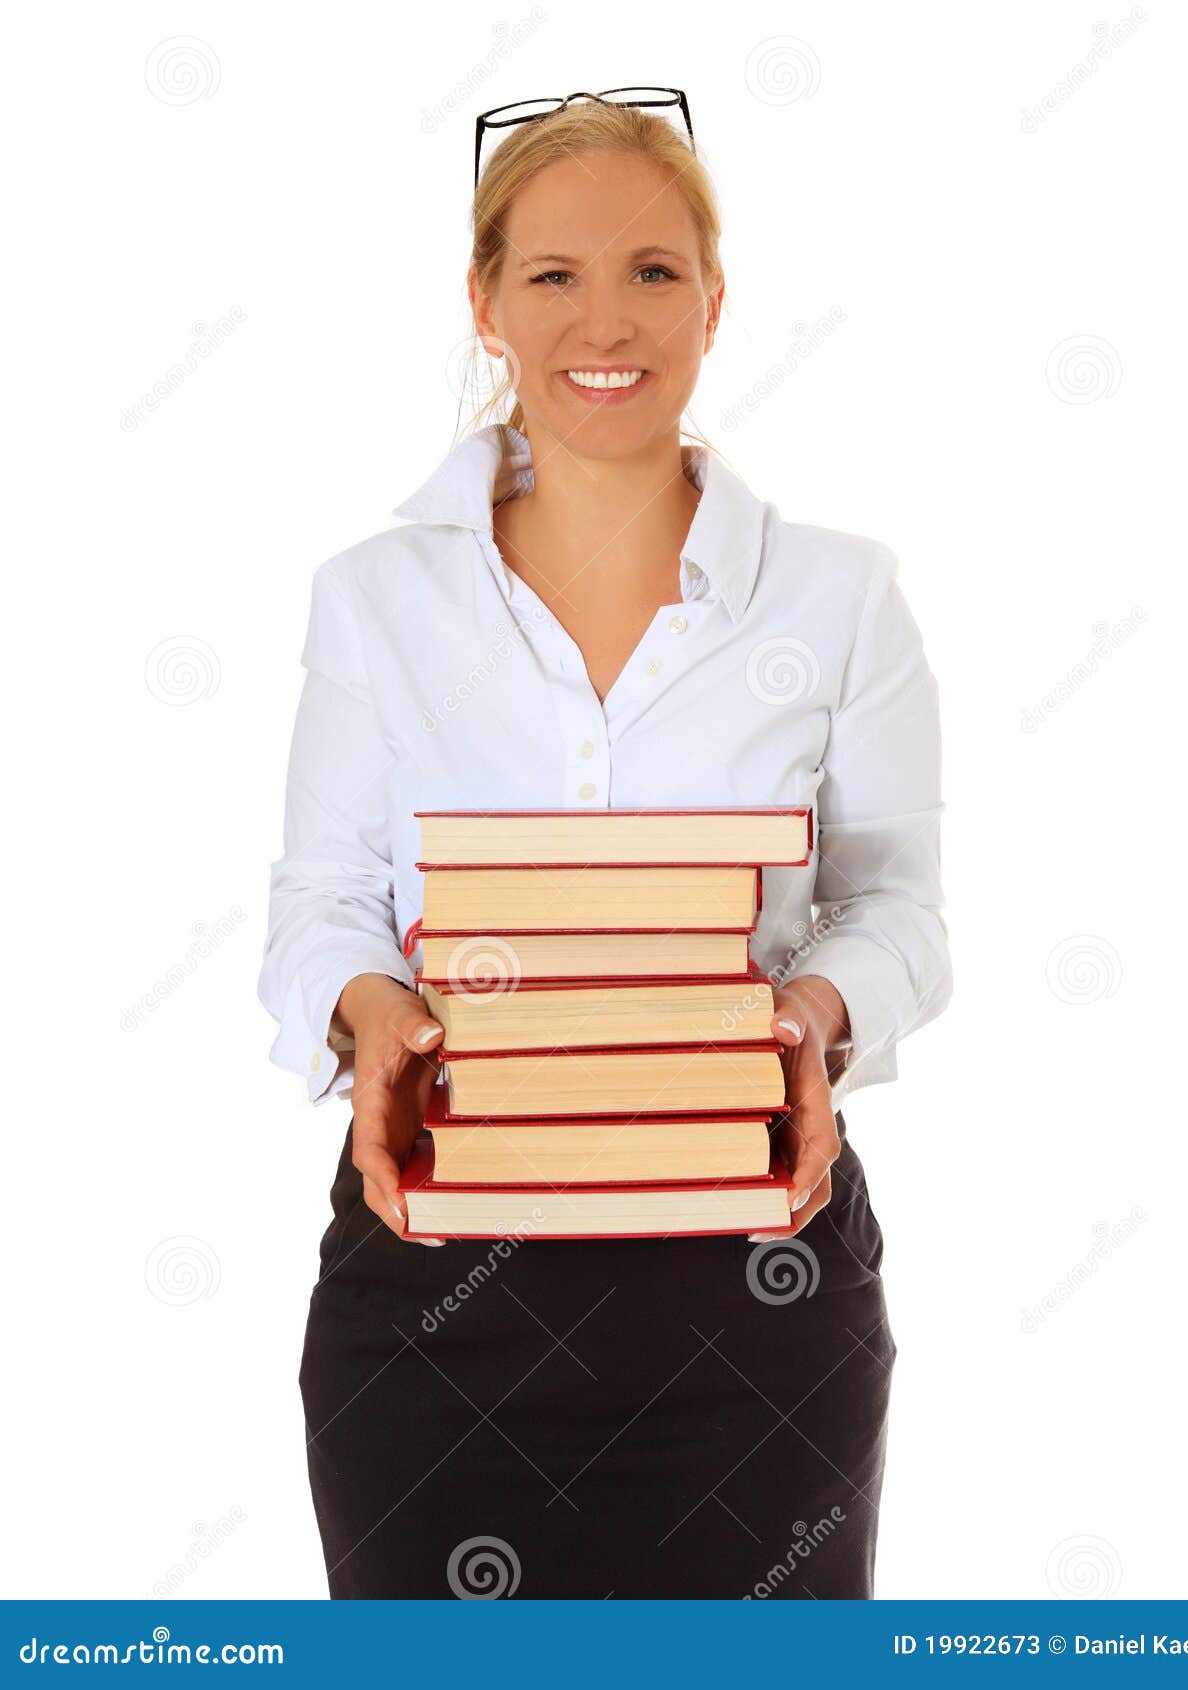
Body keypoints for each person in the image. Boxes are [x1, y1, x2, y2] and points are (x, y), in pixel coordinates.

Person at [258, 94, 951, 1599]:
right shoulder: (378, 596)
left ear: (714, 296)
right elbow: (321, 901)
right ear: (486, 301)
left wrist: (808, 1013)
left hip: (755, 1283)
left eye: (651, 270)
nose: (605, 320)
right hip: (436, 1280)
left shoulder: (838, 596)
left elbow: (898, 909)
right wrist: (370, 1007)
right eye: (554, 275)